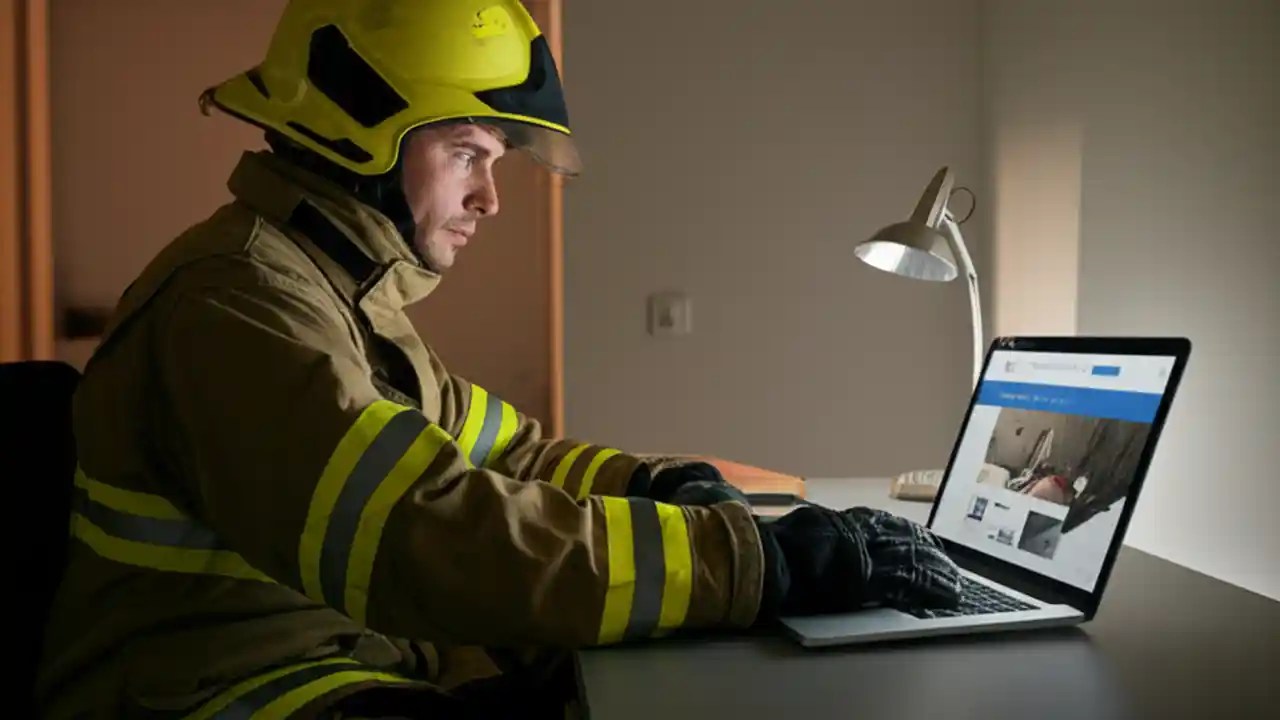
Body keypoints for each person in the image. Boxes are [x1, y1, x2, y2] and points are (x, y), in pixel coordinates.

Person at [33, 2, 960, 717]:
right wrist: (751, 561)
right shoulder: (239, 302)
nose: (489, 198)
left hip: (331, 657)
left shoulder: (336, 289)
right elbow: (427, 534)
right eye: (467, 152)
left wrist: (662, 483)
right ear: (364, 132)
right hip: (218, 689)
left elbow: (506, 457)